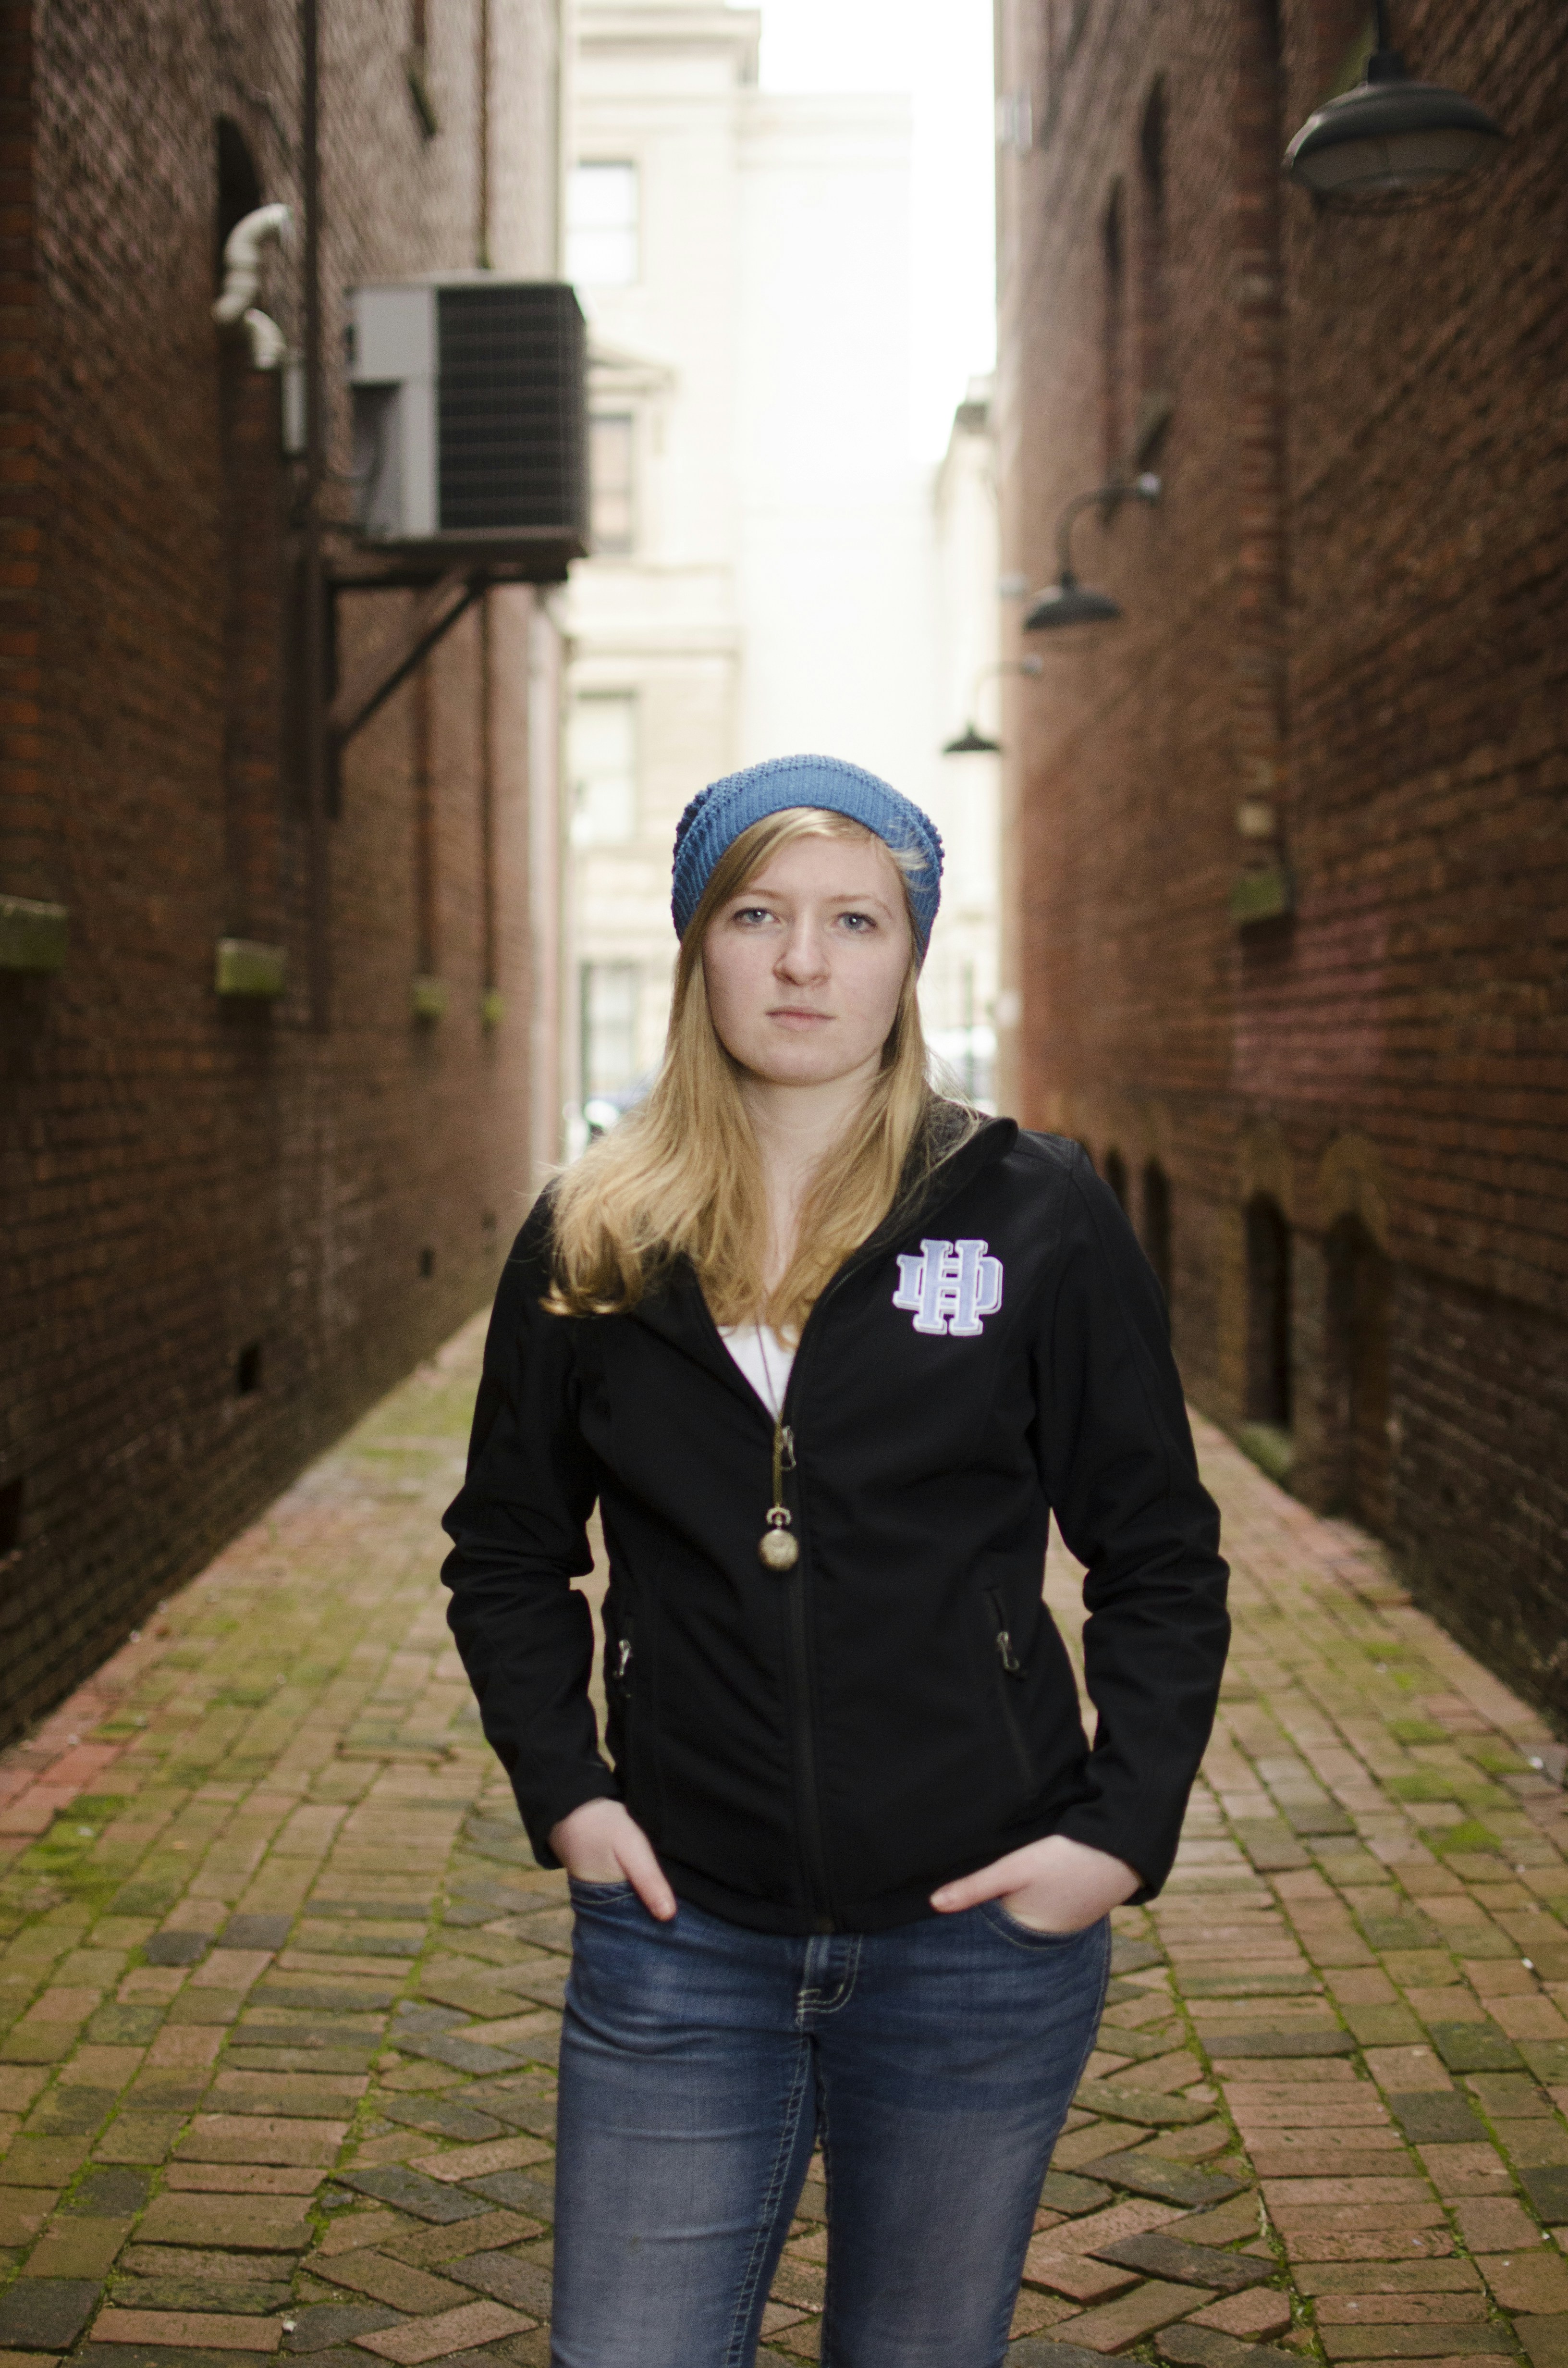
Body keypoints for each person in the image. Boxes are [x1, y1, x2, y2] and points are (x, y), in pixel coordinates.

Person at [441, 753, 1230, 2368]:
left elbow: (1159, 1552)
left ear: (908, 954)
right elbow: (508, 1551)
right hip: (682, 1933)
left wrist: (1116, 1835)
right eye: (759, 915)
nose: (804, 961)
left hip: (975, 1936)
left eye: (856, 920)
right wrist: (570, 1798)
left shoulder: (1032, 1211)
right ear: (698, 945)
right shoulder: (594, 1230)